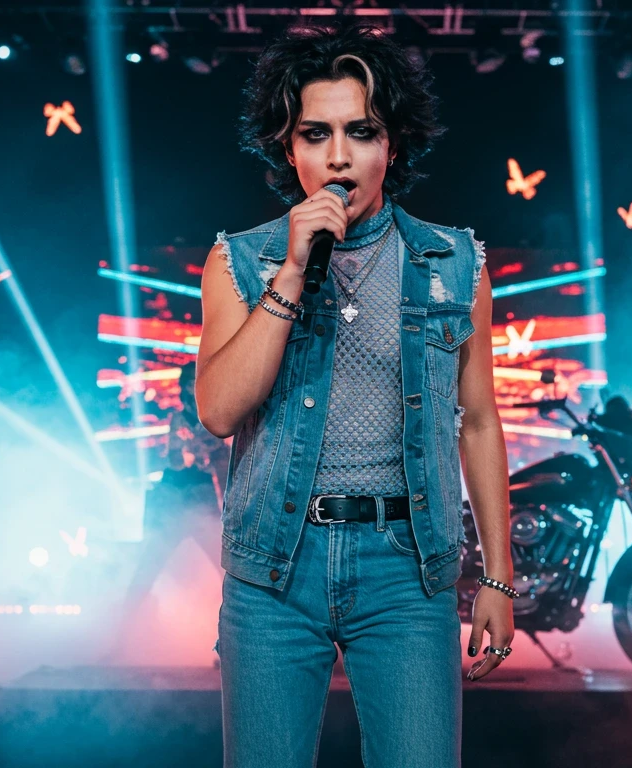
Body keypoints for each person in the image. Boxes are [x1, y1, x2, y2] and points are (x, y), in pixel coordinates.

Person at [195, 23, 514, 767]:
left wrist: (496, 576)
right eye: (316, 134)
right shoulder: (240, 260)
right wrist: (292, 275)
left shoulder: (453, 261)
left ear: (391, 145)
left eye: (361, 131)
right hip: (275, 568)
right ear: (289, 148)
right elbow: (217, 411)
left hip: (406, 571)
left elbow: (479, 423)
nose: (339, 155)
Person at [114, 362, 227, 621]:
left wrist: (201, 451)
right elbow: (176, 459)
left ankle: (235, 643)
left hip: (202, 498)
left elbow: (221, 459)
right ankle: (119, 633)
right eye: (186, 383)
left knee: (226, 571)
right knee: (148, 567)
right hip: (176, 498)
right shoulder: (181, 418)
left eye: (193, 382)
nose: (189, 389)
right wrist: (189, 453)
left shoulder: (216, 414)